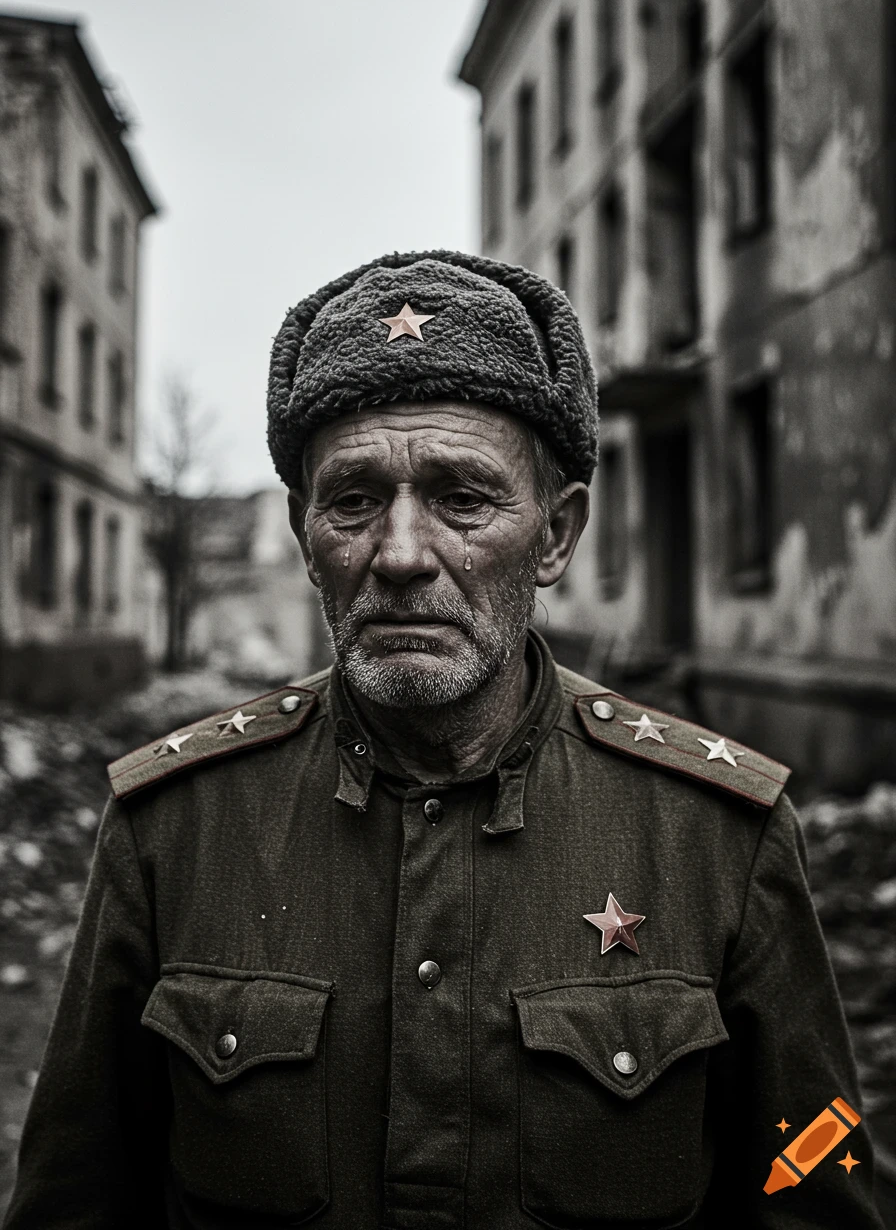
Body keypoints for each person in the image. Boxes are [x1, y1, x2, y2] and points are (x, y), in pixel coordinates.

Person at [3, 250, 884, 1229]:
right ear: (304, 535)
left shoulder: (717, 832)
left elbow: (813, 1165)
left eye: (462, 496)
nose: (401, 553)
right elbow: (72, 1198)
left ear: (554, 535)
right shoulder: (173, 826)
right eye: (353, 498)